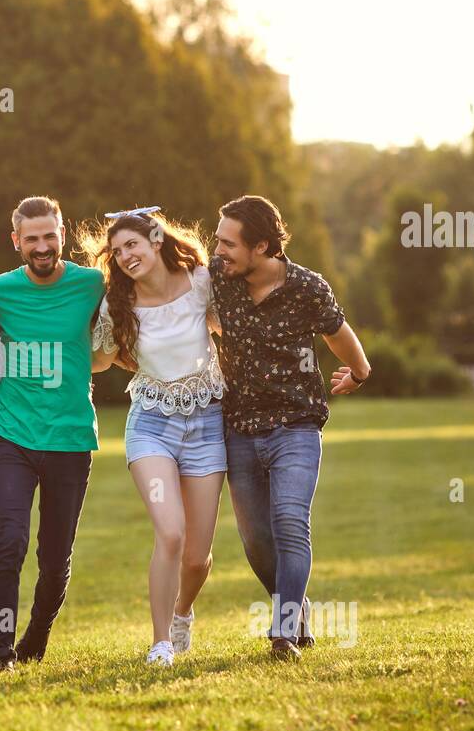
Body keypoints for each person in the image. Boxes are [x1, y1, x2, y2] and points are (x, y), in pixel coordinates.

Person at [208, 195, 371, 662]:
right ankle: (296, 615)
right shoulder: (219, 279)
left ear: (262, 246)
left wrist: (359, 372)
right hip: (238, 426)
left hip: (296, 426)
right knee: (256, 540)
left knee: (290, 522)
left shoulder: (307, 287)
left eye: (228, 243)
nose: (218, 251)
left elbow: (338, 333)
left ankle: (281, 633)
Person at [82, 206, 226, 667]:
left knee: (197, 559)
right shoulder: (116, 305)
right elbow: (101, 360)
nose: (125, 256)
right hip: (151, 426)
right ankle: (161, 641)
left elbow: (236, 330)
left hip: (207, 425)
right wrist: (43, 353)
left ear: (156, 240)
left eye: (132, 245)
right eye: (117, 250)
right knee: (170, 533)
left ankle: (183, 613)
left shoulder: (202, 283)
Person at [0, 196, 105, 670]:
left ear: (62, 235)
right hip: (14, 434)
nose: (41, 246)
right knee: (10, 540)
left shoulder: (90, 283)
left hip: (71, 439)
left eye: (49, 236)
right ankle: (0, 649)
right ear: (16, 242)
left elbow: (139, 303)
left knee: (55, 557)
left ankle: (37, 634)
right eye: (31, 238)